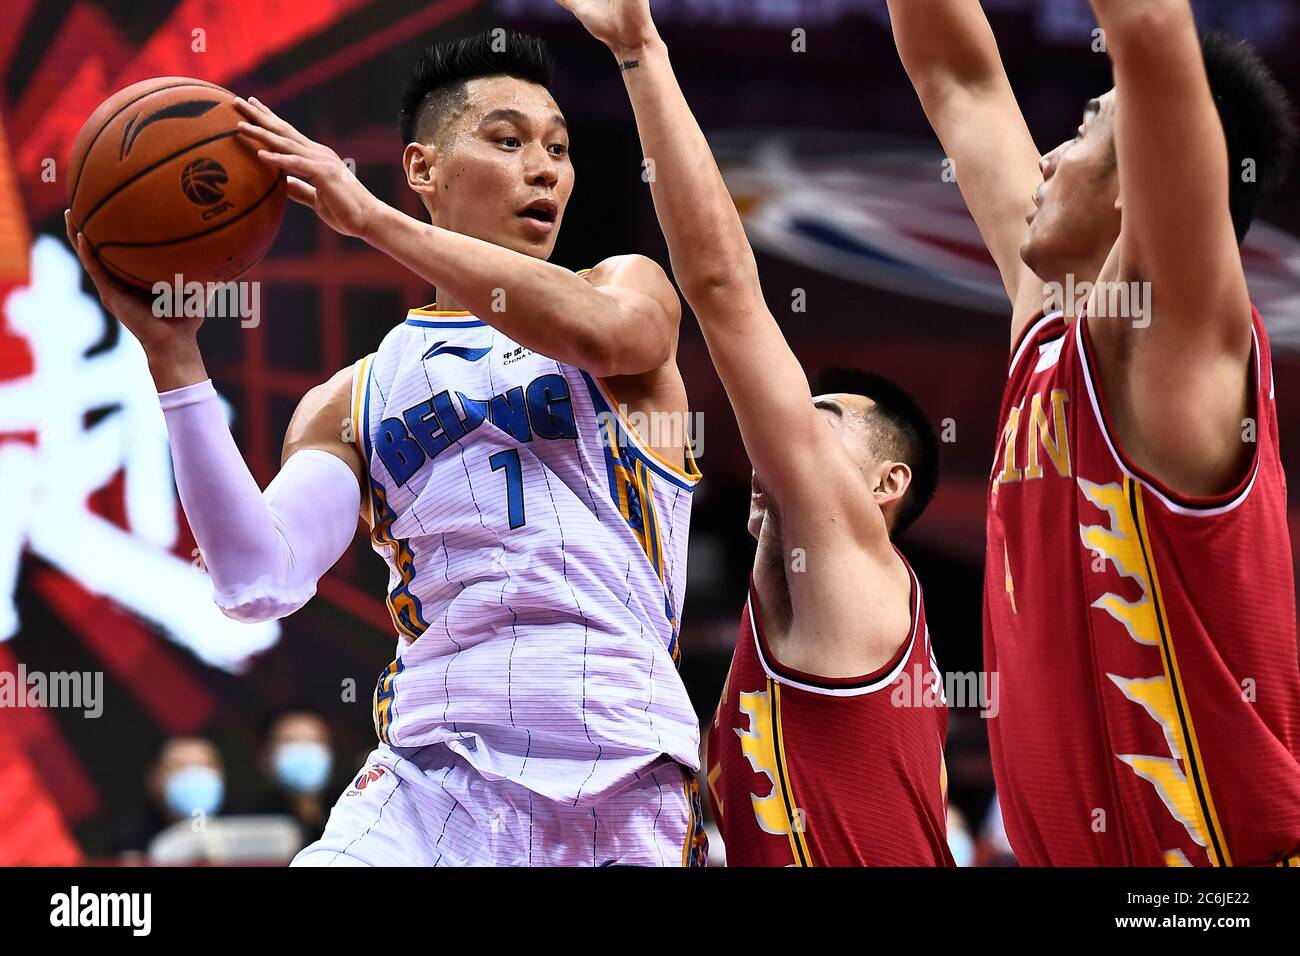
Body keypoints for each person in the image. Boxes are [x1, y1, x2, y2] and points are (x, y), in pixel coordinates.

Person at [68, 29, 706, 867]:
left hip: (624, 771)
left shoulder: (620, 289)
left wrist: (368, 219)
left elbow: (609, 335)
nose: (544, 167)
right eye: (507, 141)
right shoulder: (350, 400)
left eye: (558, 147)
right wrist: (175, 361)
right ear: (422, 171)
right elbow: (257, 579)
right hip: (434, 778)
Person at [887, 0, 1300, 865]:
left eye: (1080, 131)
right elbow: (956, 77)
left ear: (1142, 177)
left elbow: (1150, 27)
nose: (1041, 156)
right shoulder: (1054, 325)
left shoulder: (1176, 339)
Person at [556, 0, 951, 865]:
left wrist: (638, 50)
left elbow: (724, 289)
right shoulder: (787, 630)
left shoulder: (855, 564)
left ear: (885, 487)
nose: (791, 429)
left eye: (822, 420)